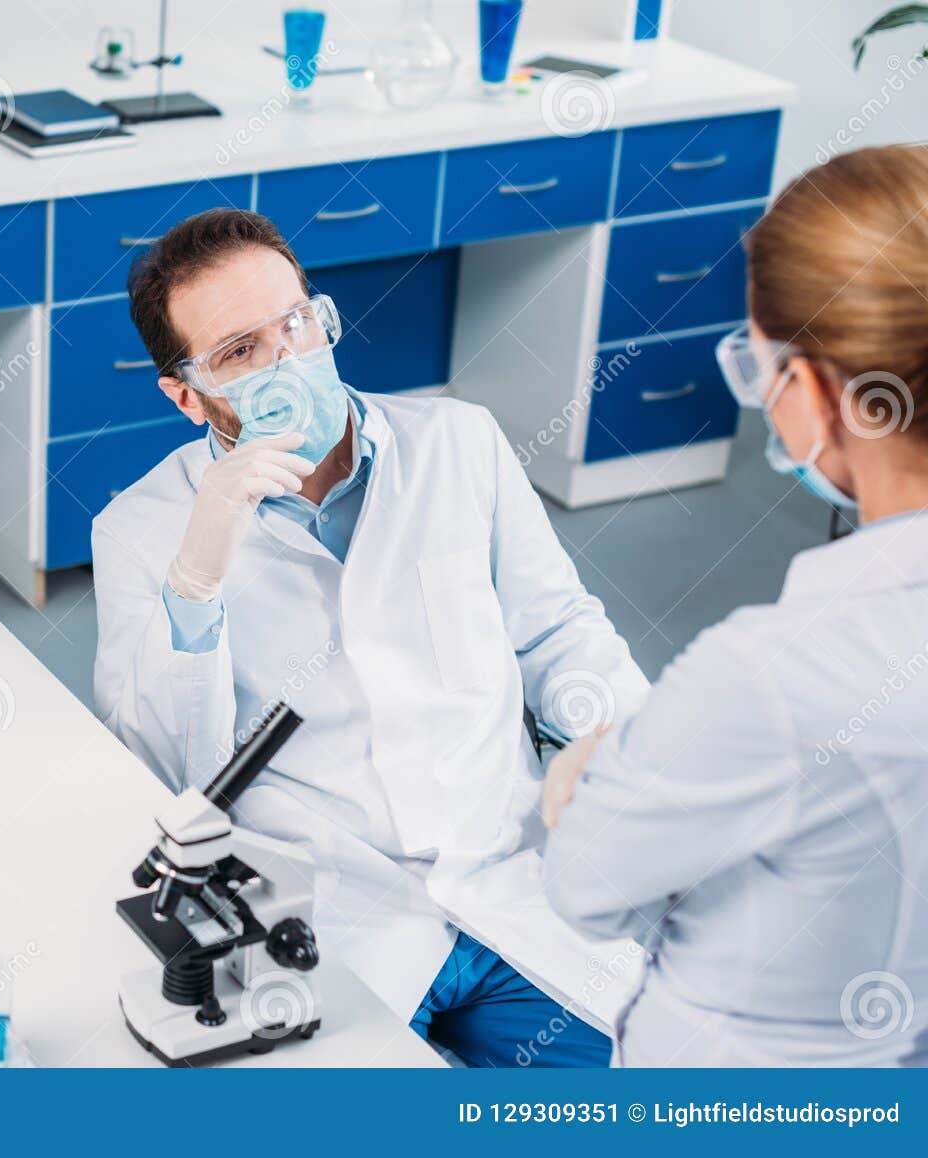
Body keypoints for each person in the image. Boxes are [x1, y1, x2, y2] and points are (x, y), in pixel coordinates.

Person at [92, 208, 649, 1066]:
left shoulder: (459, 443)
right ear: (185, 393)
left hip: (507, 881)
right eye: (240, 352)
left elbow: (558, 633)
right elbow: (168, 770)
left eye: (295, 324)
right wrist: (194, 585)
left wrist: (629, 753)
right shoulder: (139, 530)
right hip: (336, 917)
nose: (286, 362)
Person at [542, 145, 928, 1067]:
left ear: (814, 394)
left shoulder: (774, 673)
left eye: (760, 367)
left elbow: (589, 890)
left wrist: (588, 781)